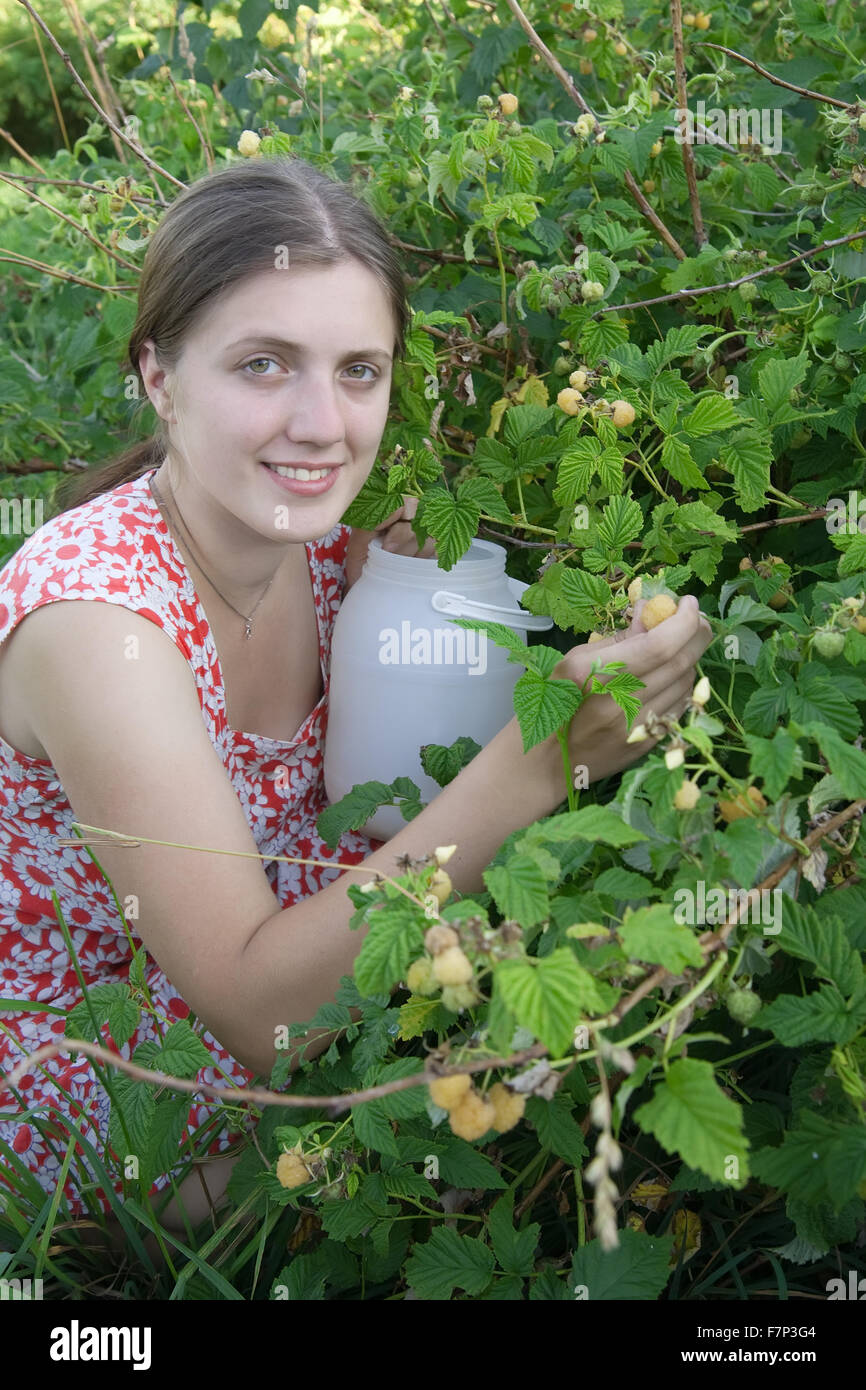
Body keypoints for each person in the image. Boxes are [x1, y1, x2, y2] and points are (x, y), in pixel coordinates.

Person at [0, 156, 712, 1247]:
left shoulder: (340, 561)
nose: (322, 424)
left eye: (358, 372)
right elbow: (257, 1014)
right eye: (263, 364)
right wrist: (543, 760)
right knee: (469, 1156)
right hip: (101, 1078)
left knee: (558, 1068)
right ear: (158, 373)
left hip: (299, 998)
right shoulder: (100, 627)